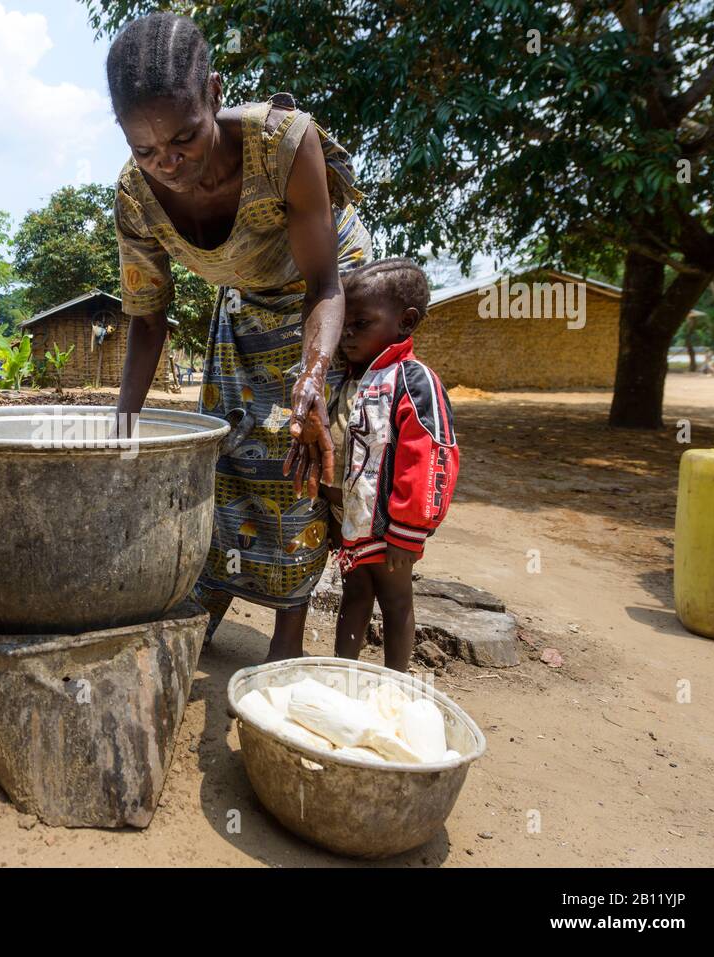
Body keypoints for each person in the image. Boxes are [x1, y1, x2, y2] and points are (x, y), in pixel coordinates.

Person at [107, 12, 371, 660]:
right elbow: (147, 319)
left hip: (324, 292)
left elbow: (325, 288)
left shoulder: (283, 144)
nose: (167, 163)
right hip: (248, 292)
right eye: (145, 150)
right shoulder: (136, 197)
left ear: (216, 95)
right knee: (222, 450)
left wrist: (313, 376)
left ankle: (287, 629)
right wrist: (120, 424)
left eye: (185, 138)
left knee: (293, 452)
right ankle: (206, 598)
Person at [322, 259, 460, 671]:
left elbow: (430, 456)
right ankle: (344, 675)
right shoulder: (347, 379)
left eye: (360, 324)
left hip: (391, 527)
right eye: (343, 323)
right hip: (350, 519)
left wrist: (408, 530)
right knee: (354, 593)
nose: (346, 334)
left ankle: (394, 682)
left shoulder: (414, 380)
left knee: (396, 601)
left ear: (406, 322)